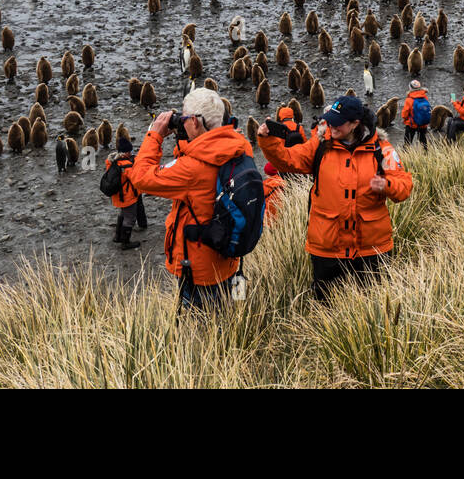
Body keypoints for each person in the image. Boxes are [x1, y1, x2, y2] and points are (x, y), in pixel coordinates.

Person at [259, 95, 413, 302]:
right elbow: (288, 160)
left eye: (338, 123)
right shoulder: (320, 145)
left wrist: (387, 185)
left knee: (371, 305)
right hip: (327, 246)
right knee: (325, 305)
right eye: (330, 120)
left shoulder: (381, 150)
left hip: (370, 248)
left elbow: (404, 186)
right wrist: (268, 141)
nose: (331, 126)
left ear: (355, 124)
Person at [127, 87, 255, 310]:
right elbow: (207, 149)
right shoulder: (240, 147)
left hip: (198, 270)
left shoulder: (192, 169)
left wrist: (155, 135)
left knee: (198, 331)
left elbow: (140, 177)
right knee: (226, 317)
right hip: (229, 257)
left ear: (194, 122)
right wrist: (186, 137)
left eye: (184, 118)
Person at [104, 136, 142, 250]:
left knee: (122, 214)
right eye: (130, 151)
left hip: (118, 195)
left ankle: (117, 236)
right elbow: (135, 178)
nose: (131, 153)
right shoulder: (126, 165)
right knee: (130, 217)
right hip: (127, 196)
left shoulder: (112, 161)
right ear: (126, 152)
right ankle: (125, 242)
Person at [401, 79, 432, 147]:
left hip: (412, 124)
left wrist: (405, 119)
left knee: (407, 141)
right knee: (423, 140)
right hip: (423, 124)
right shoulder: (424, 96)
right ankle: (425, 153)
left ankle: (406, 154)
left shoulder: (409, 99)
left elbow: (404, 114)